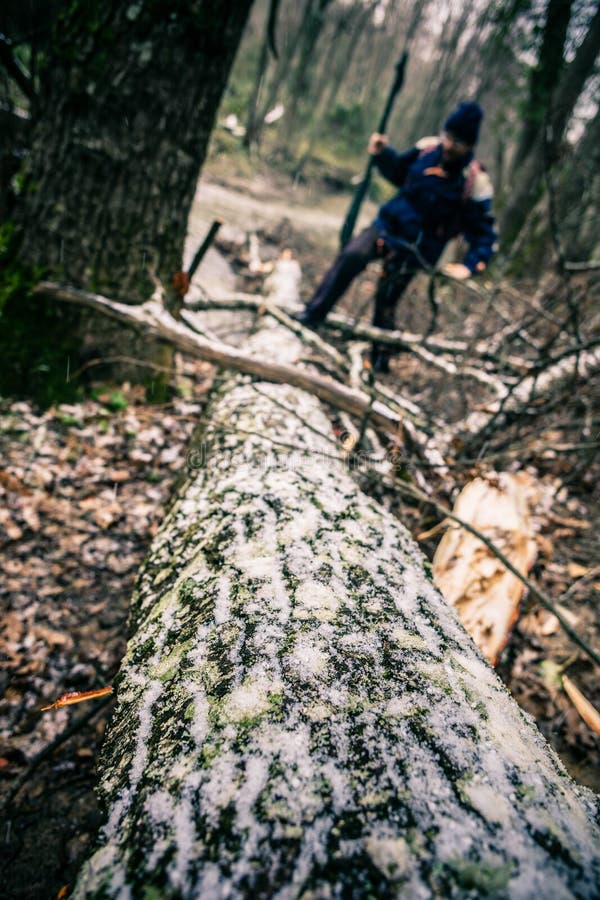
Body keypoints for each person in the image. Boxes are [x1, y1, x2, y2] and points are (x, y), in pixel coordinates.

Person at [294, 102, 497, 372]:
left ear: (470, 146)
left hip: (418, 247)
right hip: (387, 225)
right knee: (352, 256)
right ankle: (312, 315)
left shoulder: (474, 182)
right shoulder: (426, 150)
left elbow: (483, 233)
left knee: (387, 298)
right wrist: (382, 154)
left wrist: (471, 265)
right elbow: (399, 173)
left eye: (458, 142)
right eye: (448, 136)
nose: (449, 145)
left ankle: (380, 359)